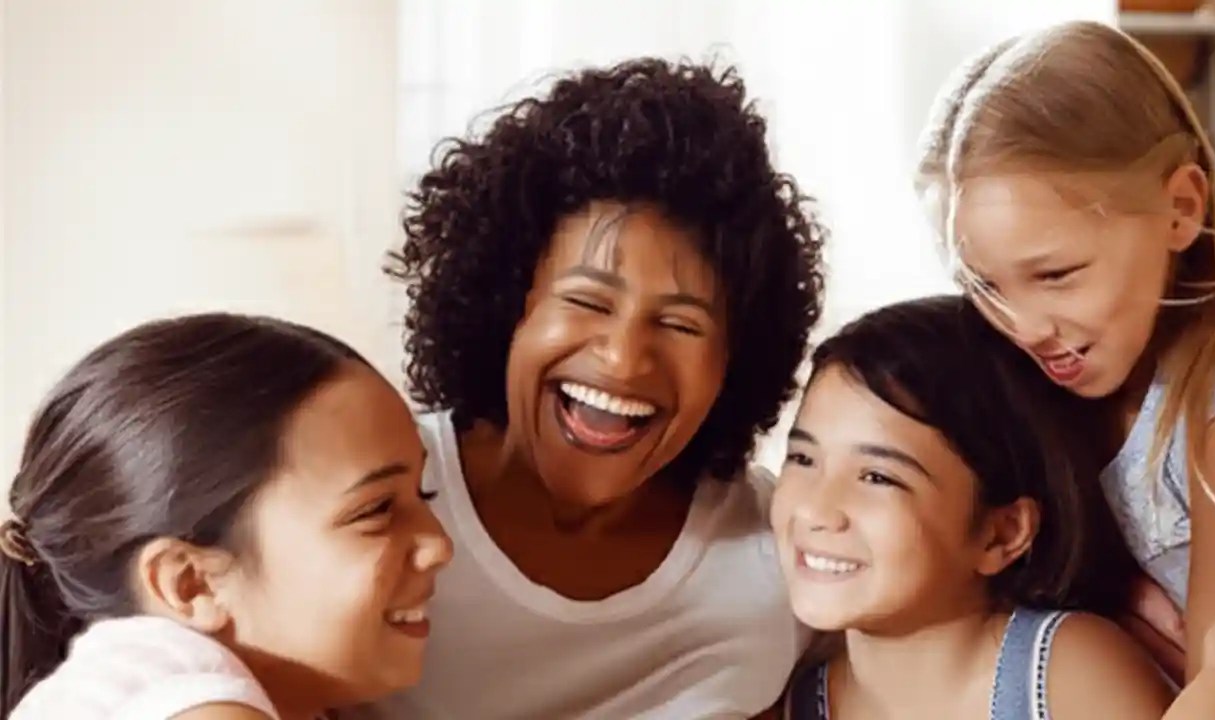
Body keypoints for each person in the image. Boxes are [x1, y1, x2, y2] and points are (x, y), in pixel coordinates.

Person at [371, 57, 826, 719]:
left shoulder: (781, 554)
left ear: (735, 359)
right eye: (587, 301)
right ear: (509, 307)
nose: (623, 360)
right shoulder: (376, 498)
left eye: (680, 324)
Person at [916, 19, 1215, 716]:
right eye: (986, 286)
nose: (1024, 326)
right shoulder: (1030, 383)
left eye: (1057, 275)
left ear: (1180, 209)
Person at [0, 314, 453, 719]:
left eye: (423, 492)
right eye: (377, 510)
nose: (440, 546)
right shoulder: (179, 695)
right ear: (192, 583)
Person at [775, 295, 1172, 719]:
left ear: (1002, 533)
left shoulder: (1070, 677)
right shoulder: (795, 699)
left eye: (877, 477)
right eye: (803, 459)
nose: (816, 510)